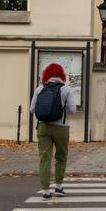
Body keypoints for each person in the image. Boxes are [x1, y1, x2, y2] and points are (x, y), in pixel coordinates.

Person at [30, 62, 77, 199]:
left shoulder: (40, 89)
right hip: (61, 128)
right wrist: (62, 112)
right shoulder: (67, 89)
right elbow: (72, 110)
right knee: (61, 157)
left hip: (43, 127)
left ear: (47, 74)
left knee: (44, 158)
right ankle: (58, 187)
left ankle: (45, 190)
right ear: (61, 74)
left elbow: (32, 109)